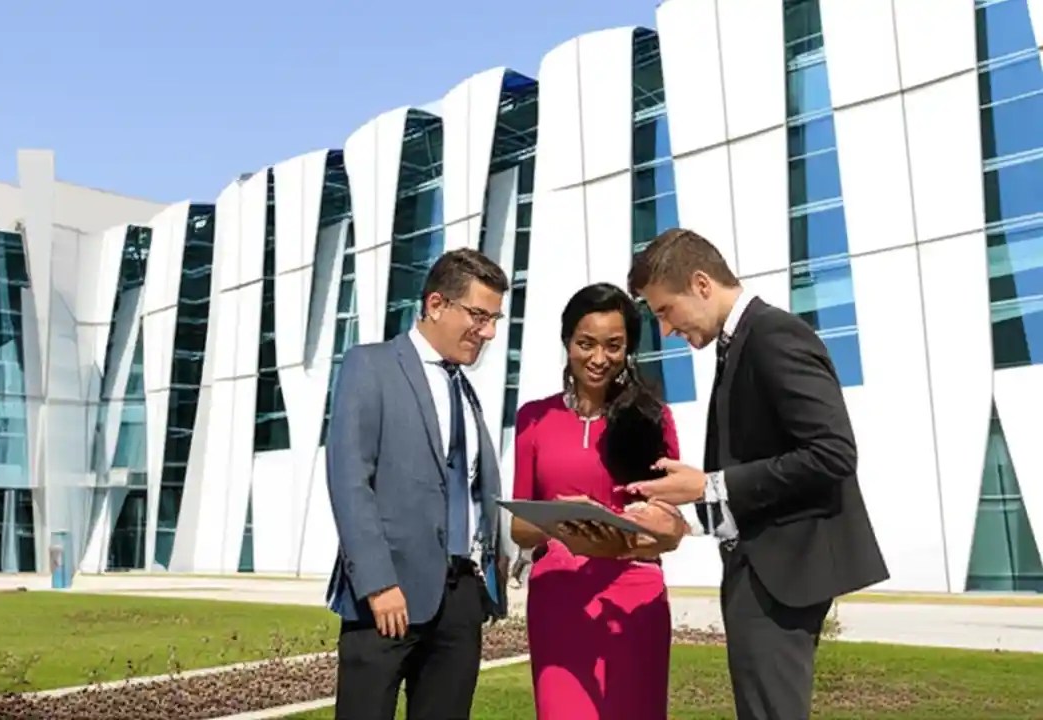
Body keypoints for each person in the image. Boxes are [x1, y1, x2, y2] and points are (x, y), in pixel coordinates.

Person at [624, 228, 890, 720]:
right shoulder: (739, 344)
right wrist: (689, 521)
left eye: (665, 311)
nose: (665, 330)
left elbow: (833, 453)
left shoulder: (773, 335)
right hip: (761, 571)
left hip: (783, 575)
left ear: (702, 284)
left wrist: (708, 484)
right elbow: (762, 476)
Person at [324, 247, 513, 720]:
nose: (488, 332)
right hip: (387, 598)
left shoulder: (466, 389)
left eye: (494, 319)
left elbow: (472, 487)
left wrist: (493, 561)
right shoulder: (371, 366)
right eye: (478, 315)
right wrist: (378, 582)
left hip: (461, 600)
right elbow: (349, 479)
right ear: (435, 305)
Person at [510, 282, 690, 720]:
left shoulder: (652, 418)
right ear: (567, 342)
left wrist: (615, 530)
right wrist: (562, 522)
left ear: (628, 349)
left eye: (613, 346)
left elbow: (670, 528)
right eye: (585, 343)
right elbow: (519, 526)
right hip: (557, 597)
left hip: (634, 597)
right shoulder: (533, 418)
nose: (598, 358)